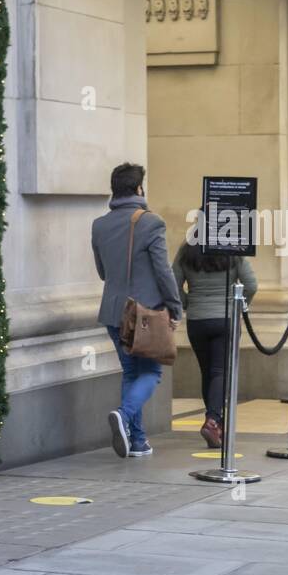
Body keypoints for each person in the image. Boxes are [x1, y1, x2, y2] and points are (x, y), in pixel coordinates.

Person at [91, 163, 182, 458]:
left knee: (131, 373)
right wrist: (175, 307)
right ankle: (123, 413)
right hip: (144, 313)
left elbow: (103, 272)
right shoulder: (150, 222)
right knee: (152, 373)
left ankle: (138, 441)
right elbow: (163, 271)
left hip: (113, 312)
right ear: (139, 189)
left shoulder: (99, 224)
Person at [173, 234, 258, 448]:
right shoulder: (233, 249)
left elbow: (173, 283)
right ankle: (213, 421)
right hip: (226, 318)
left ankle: (215, 423)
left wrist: (188, 304)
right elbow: (251, 284)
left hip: (197, 320)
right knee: (221, 372)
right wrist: (239, 305)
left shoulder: (187, 249)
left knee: (208, 372)